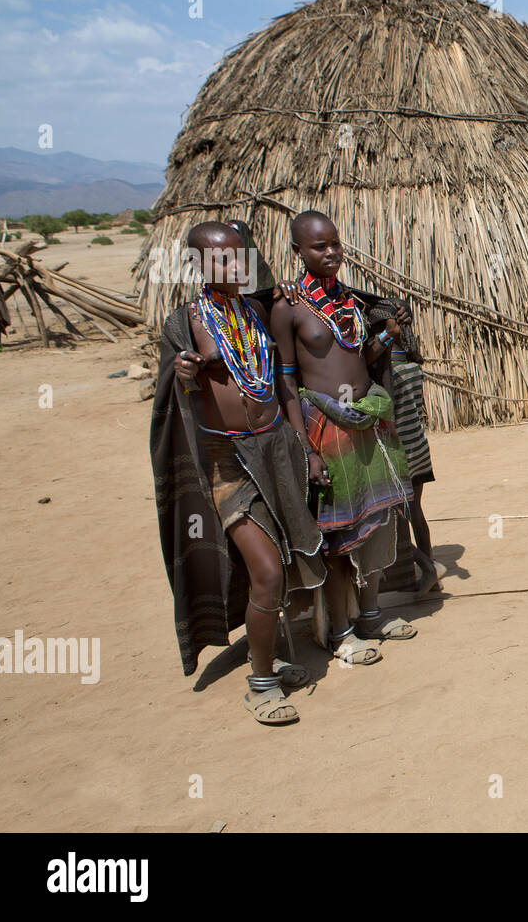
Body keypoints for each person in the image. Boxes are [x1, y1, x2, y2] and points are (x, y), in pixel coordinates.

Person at [152, 221, 326, 725]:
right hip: (226, 464)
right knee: (267, 570)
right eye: (220, 259)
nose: (233, 266)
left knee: (285, 564)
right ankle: (261, 684)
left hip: (274, 450)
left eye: (239, 257)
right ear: (198, 265)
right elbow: (174, 393)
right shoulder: (183, 324)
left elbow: (284, 375)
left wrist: (299, 443)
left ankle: (270, 656)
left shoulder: (255, 310)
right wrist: (185, 374)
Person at [271, 210, 416, 666]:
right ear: (298, 251)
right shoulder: (287, 306)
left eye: (335, 243)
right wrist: (304, 446)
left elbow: (363, 357)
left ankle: (371, 614)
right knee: (336, 536)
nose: (331, 252)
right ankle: (341, 632)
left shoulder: (350, 302)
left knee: (377, 522)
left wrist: (389, 336)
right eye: (319, 246)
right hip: (324, 427)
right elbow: (287, 380)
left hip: (368, 417)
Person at [369, 295, 444, 593]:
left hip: (398, 451)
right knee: (415, 513)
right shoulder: (412, 358)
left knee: (392, 520)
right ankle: (430, 571)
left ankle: (427, 569)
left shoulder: (388, 367)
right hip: (418, 447)